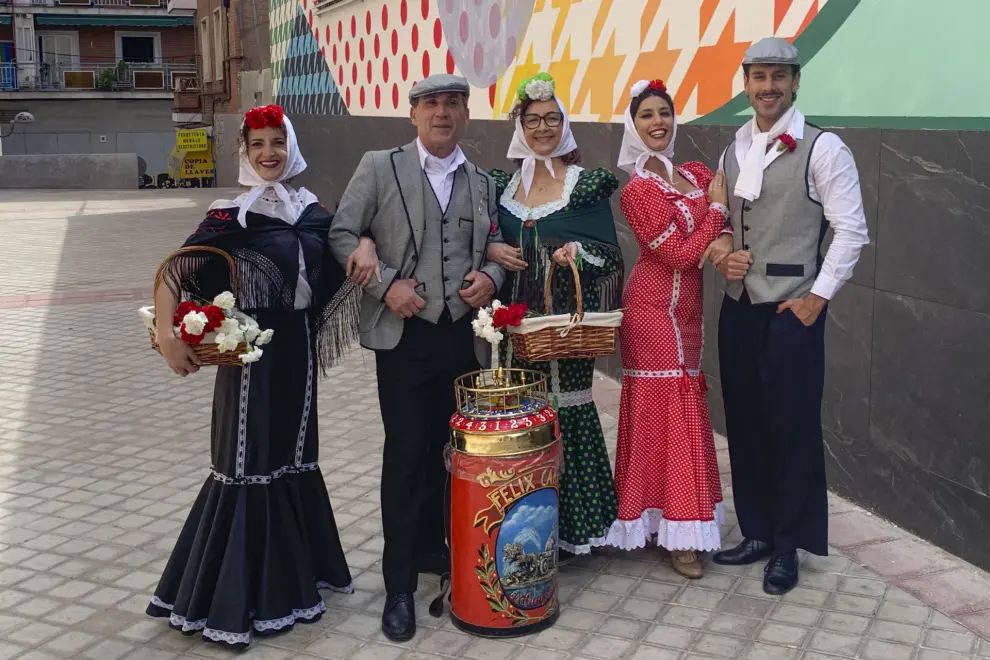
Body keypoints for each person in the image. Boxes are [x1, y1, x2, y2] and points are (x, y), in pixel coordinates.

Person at [146, 105, 378, 648]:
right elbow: (175, 269)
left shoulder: (310, 209)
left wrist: (364, 242)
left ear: (291, 147)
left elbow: (350, 238)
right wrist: (167, 334)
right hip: (251, 354)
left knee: (294, 455)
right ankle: (238, 595)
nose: (269, 153)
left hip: (297, 347)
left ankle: (298, 577)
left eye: (278, 142)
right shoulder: (232, 214)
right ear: (245, 154)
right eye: (258, 146)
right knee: (248, 461)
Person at [328, 74, 505, 642]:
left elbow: (495, 247)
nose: (443, 113)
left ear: (466, 115)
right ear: (412, 113)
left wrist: (490, 276)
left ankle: (442, 554)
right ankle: (399, 585)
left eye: (453, 104)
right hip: (404, 338)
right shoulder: (380, 166)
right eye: (432, 104)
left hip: (463, 336)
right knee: (406, 456)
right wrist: (384, 284)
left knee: (455, 454)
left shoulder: (480, 179)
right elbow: (341, 232)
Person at [709, 38, 869, 595]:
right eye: (759, 77)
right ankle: (756, 529)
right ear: (746, 83)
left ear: (795, 83)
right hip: (739, 309)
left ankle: (787, 545)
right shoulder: (733, 150)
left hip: (791, 309)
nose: (769, 87)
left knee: (792, 427)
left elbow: (852, 231)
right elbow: (724, 221)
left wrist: (816, 298)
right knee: (746, 422)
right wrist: (724, 250)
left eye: (779, 77)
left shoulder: (824, 149)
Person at [485, 73, 622, 559]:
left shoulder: (584, 186)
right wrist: (494, 248)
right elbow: (481, 238)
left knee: (569, 404)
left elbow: (610, 255)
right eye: (533, 119)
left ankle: (577, 524)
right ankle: (528, 523)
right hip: (516, 325)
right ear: (520, 127)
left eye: (551, 119)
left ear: (564, 124)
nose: (542, 127)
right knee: (525, 411)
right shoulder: (500, 187)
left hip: (565, 325)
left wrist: (575, 255)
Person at [603, 79, 730, 579]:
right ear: (633, 128)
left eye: (664, 113)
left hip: (687, 314)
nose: (657, 122)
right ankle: (679, 533)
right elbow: (678, 254)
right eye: (646, 115)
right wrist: (716, 213)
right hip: (652, 311)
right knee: (670, 416)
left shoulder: (693, 174)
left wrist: (717, 226)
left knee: (679, 414)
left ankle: (673, 520)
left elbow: (717, 235)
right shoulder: (639, 191)